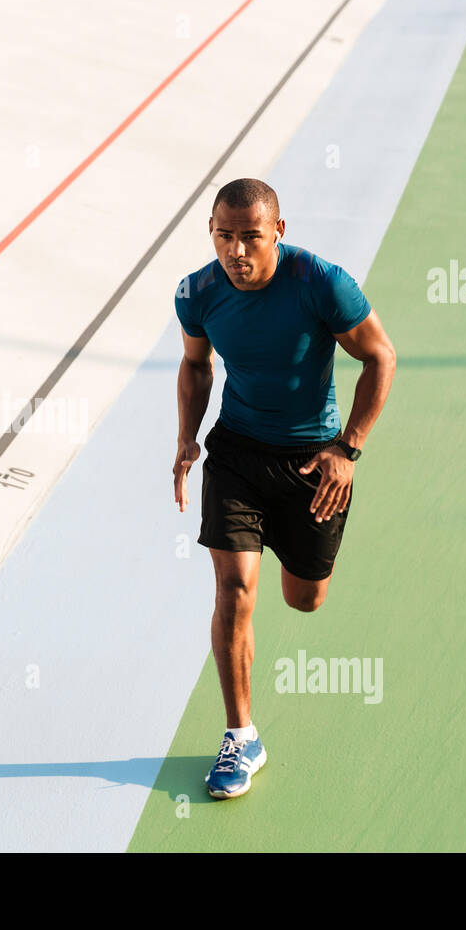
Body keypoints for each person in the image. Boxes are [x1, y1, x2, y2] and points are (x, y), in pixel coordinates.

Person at [172, 178, 396, 799]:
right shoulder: (197, 293)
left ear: (279, 232)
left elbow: (380, 356)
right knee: (235, 588)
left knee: (304, 599)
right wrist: (188, 439)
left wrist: (348, 448)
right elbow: (196, 364)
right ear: (211, 232)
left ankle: (291, 551)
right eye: (224, 236)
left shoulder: (321, 282)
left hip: (312, 463)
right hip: (237, 453)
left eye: (250, 236)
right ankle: (241, 735)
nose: (237, 251)